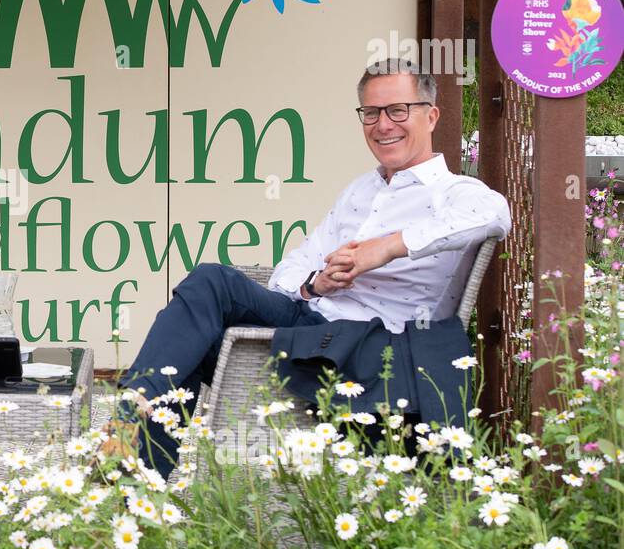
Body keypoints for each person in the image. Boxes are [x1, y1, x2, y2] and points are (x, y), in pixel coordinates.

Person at [120, 59, 512, 474]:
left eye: (398, 110)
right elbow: (291, 268)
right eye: (371, 113)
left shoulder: (454, 192)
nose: (384, 125)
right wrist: (315, 284)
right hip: (311, 315)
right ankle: (136, 410)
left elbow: (494, 215)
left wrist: (386, 248)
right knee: (210, 281)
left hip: (367, 341)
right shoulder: (360, 190)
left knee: (189, 343)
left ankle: (139, 467)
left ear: (430, 115)